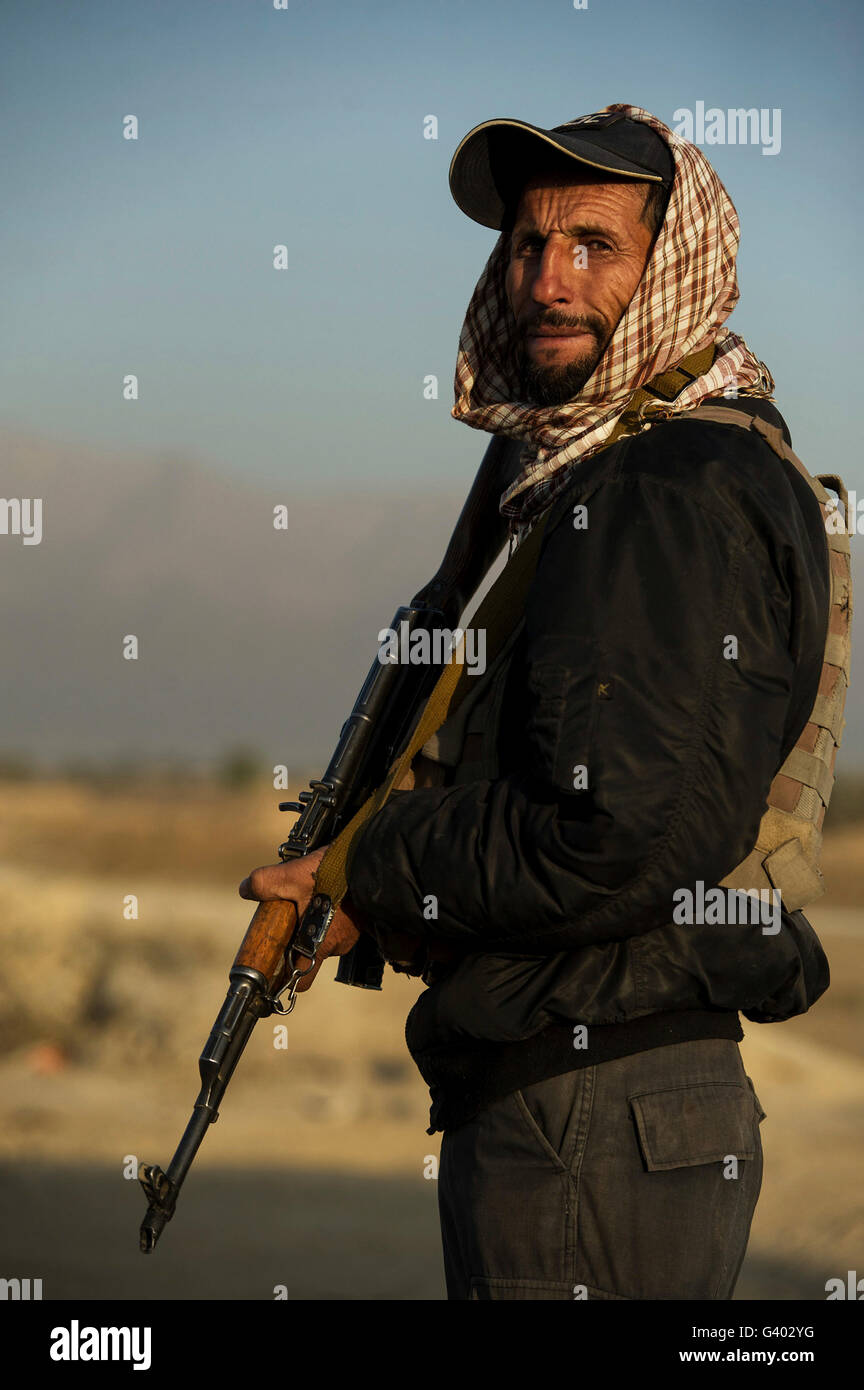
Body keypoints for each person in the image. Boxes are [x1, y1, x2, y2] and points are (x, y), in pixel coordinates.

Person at [240, 105, 841, 1300]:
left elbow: (609, 836)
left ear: (671, 266)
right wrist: (386, 896)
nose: (547, 281)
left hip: (592, 1115)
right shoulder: (626, 467)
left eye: (595, 248)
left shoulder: (661, 486)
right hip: (610, 1101)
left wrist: (380, 854)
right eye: (527, 245)